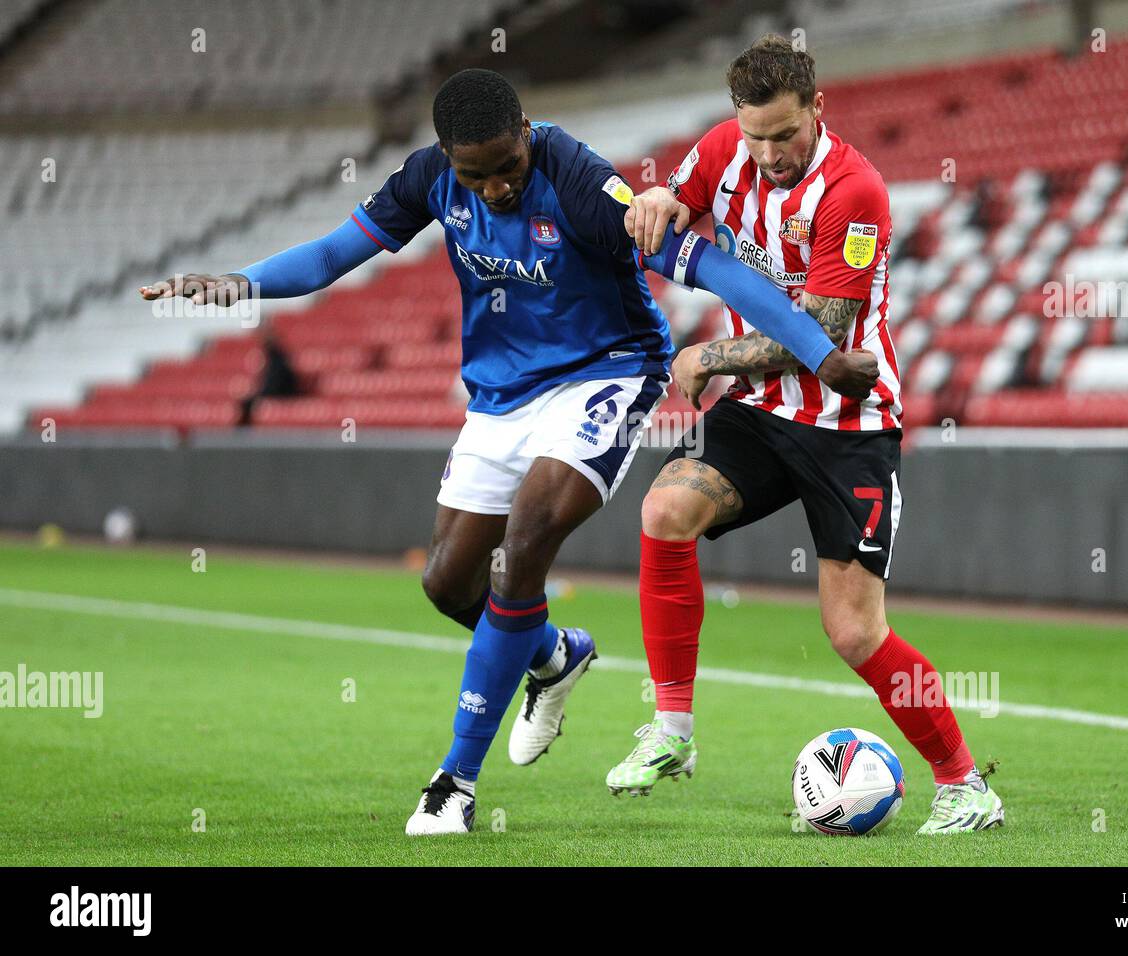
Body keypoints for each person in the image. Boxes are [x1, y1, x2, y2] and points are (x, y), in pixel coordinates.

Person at [141, 67, 880, 835]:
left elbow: (712, 268)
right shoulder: (429, 179)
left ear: (528, 134)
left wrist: (817, 351)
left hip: (609, 374)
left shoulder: (586, 188)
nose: (495, 188)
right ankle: (555, 655)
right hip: (500, 399)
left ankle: (453, 784)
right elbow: (331, 257)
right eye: (476, 175)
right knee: (446, 583)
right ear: (447, 160)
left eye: (507, 168)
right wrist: (235, 284)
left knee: (522, 547)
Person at [608, 35, 1005, 834]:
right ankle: (672, 733)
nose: (768, 153)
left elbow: (821, 333)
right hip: (760, 413)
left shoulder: (856, 190)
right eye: (754, 136)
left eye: (783, 135)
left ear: (817, 110)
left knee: (854, 631)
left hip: (847, 424)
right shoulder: (726, 150)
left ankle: (966, 787)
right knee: (663, 512)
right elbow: (669, 216)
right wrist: (652, 204)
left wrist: (712, 354)